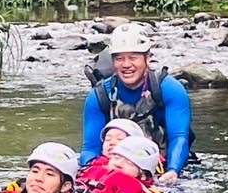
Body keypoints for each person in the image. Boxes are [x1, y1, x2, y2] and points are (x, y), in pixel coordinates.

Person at [80, 24, 192, 183]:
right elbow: (90, 148)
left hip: (164, 168)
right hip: (114, 168)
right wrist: (95, 172)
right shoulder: (99, 95)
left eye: (133, 57)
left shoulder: (170, 89)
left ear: (148, 58)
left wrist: (173, 170)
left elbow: (179, 137)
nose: (126, 65)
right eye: (119, 58)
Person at [84, 135, 164, 193]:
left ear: (143, 175)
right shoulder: (95, 171)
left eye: (129, 163)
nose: (118, 164)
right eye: (116, 158)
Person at [78, 118, 151, 187]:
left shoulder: (143, 175)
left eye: (120, 139)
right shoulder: (91, 166)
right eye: (107, 139)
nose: (112, 142)